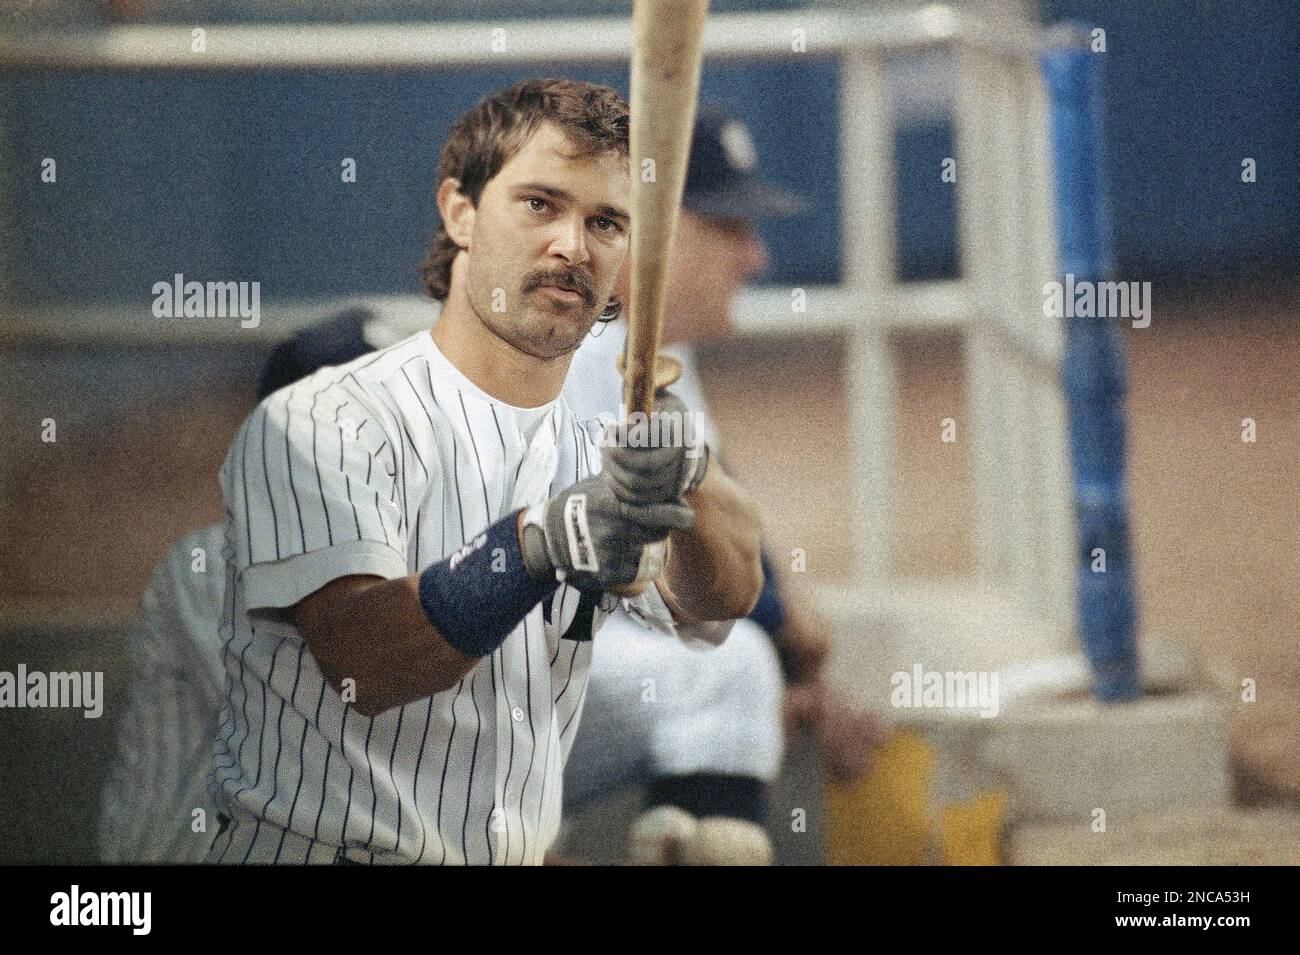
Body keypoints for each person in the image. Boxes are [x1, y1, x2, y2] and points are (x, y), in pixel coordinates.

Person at [203, 78, 763, 865]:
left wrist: (688, 474)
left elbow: (722, 605)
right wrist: (538, 542)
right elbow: (365, 658)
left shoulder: (595, 424)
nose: (574, 244)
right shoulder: (322, 420)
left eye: (605, 221)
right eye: (540, 204)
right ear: (459, 212)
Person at [560, 103, 886, 865]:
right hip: (421, 718)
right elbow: (658, 585)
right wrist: (781, 646)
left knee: (734, 656)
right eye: (730, 227)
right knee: (727, 667)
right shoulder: (586, 351)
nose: (758, 256)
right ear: (647, 230)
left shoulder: (645, 346)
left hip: (525, 684)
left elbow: (727, 543)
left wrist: (794, 651)